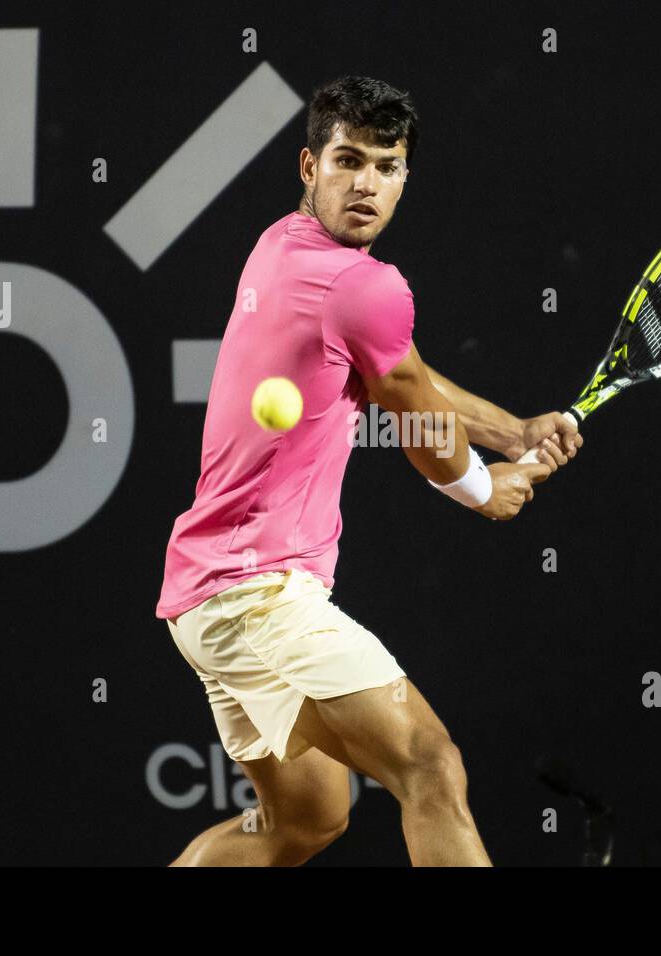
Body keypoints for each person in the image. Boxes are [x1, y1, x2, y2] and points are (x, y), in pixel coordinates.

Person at [155, 75, 582, 866]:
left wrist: (513, 429)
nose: (368, 184)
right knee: (430, 766)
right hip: (258, 595)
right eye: (349, 161)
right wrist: (489, 489)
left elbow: (406, 374)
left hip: (203, 599)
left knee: (302, 824)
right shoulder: (363, 284)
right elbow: (416, 419)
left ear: (406, 176)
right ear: (309, 165)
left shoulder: (282, 243)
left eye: (387, 166)